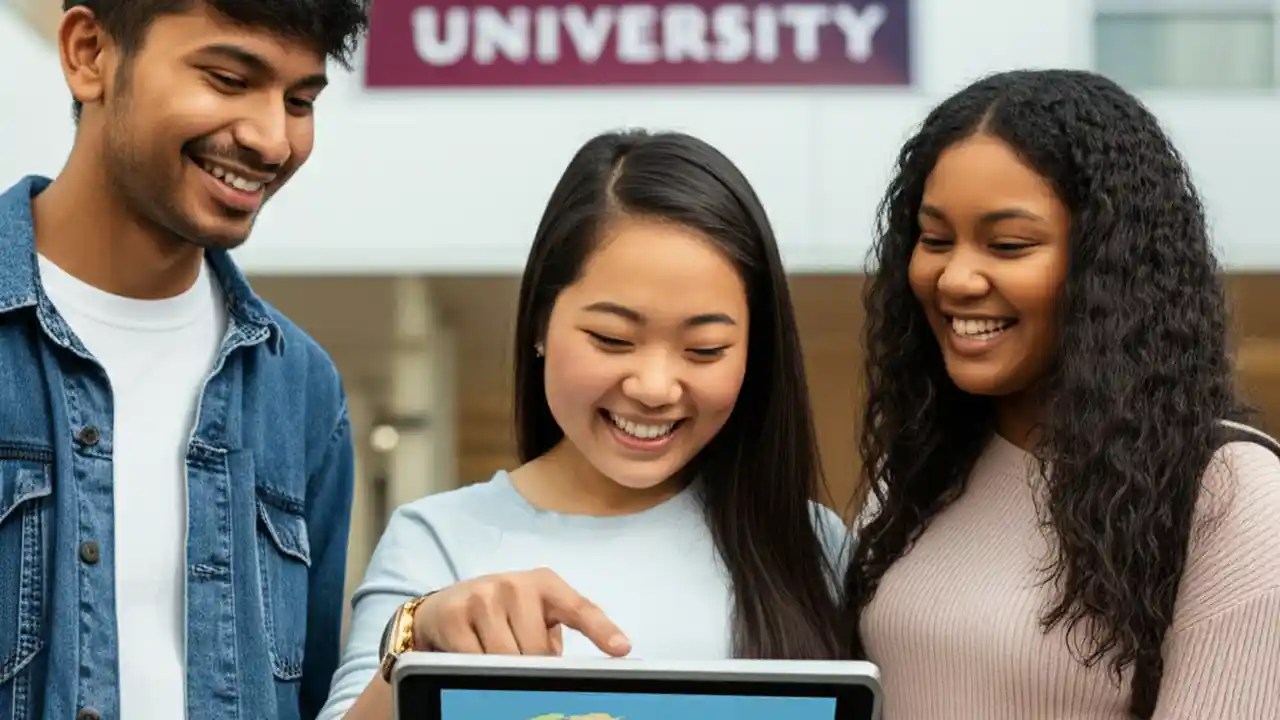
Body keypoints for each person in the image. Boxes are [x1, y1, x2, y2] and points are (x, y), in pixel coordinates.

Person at [319, 129, 850, 719]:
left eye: (704, 349)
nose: (654, 387)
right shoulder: (439, 538)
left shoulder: (811, 545)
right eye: (612, 338)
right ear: (541, 322)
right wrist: (422, 641)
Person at [843, 68, 1280, 718]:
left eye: (1009, 245)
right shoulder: (910, 478)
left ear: (1112, 265)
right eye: (934, 240)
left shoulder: (1231, 498)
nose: (957, 278)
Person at [0, 1, 369, 719]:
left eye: (299, 101)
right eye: (229, 79)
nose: (271, 141)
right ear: (88, 54)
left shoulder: (302, 388)